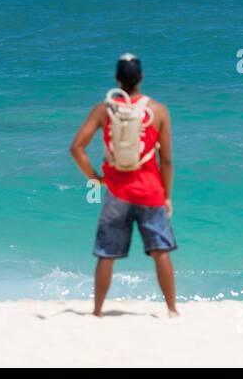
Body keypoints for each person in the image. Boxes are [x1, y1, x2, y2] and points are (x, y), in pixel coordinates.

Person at [69, 54, 178, 318]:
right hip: (151, 192)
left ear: (117, 79)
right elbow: (167, 160)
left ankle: (97, 312)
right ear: (141, 78)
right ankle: (172, 310)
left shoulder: (103, 110)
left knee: (106, 255)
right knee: (161, 252)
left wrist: (95, 178)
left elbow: (77, 149)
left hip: (117, 191)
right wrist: (167, 196)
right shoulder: (159, 111)